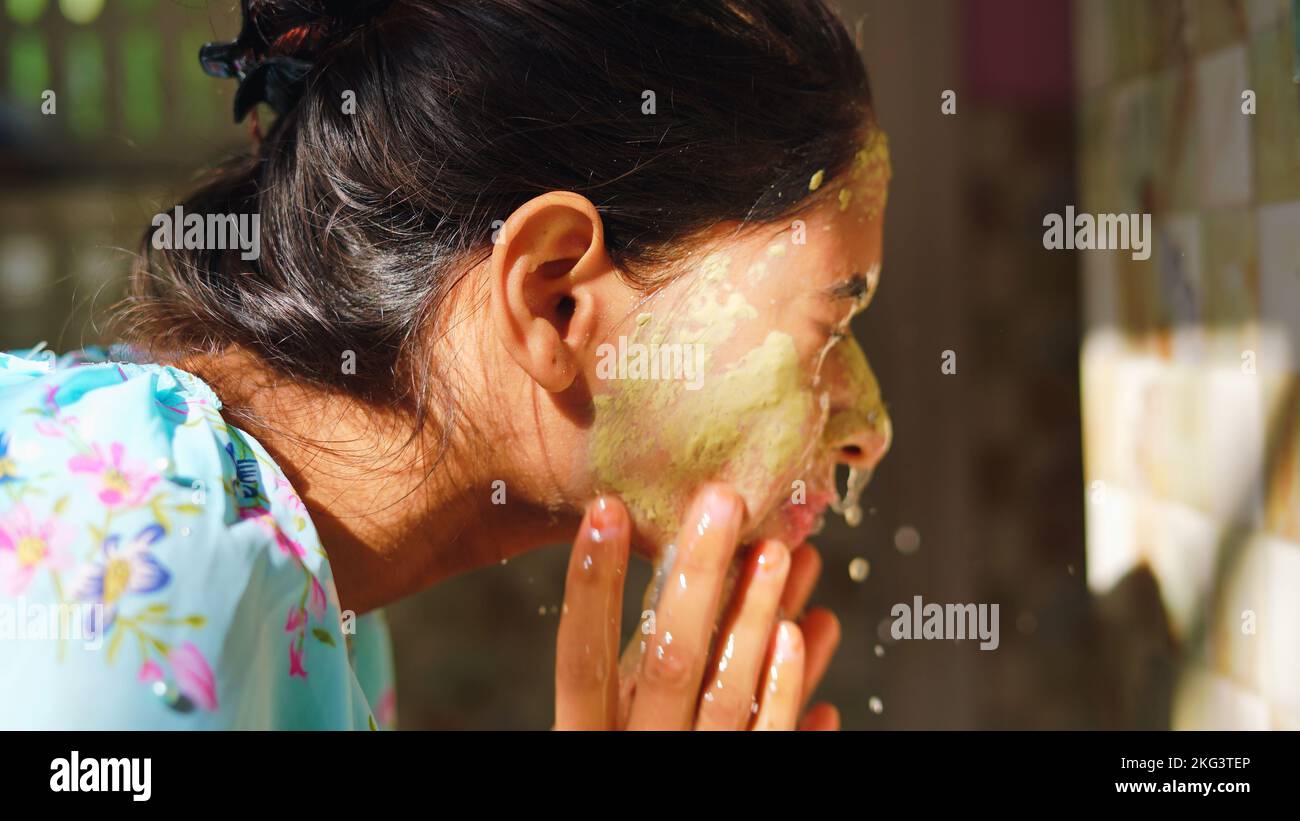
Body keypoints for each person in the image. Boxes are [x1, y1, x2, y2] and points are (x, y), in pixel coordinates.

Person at [0, 0, 891, 730]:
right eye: (832, 318)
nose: (873, 429)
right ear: (555, 297)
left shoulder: (315, 600)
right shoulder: (148, 578)